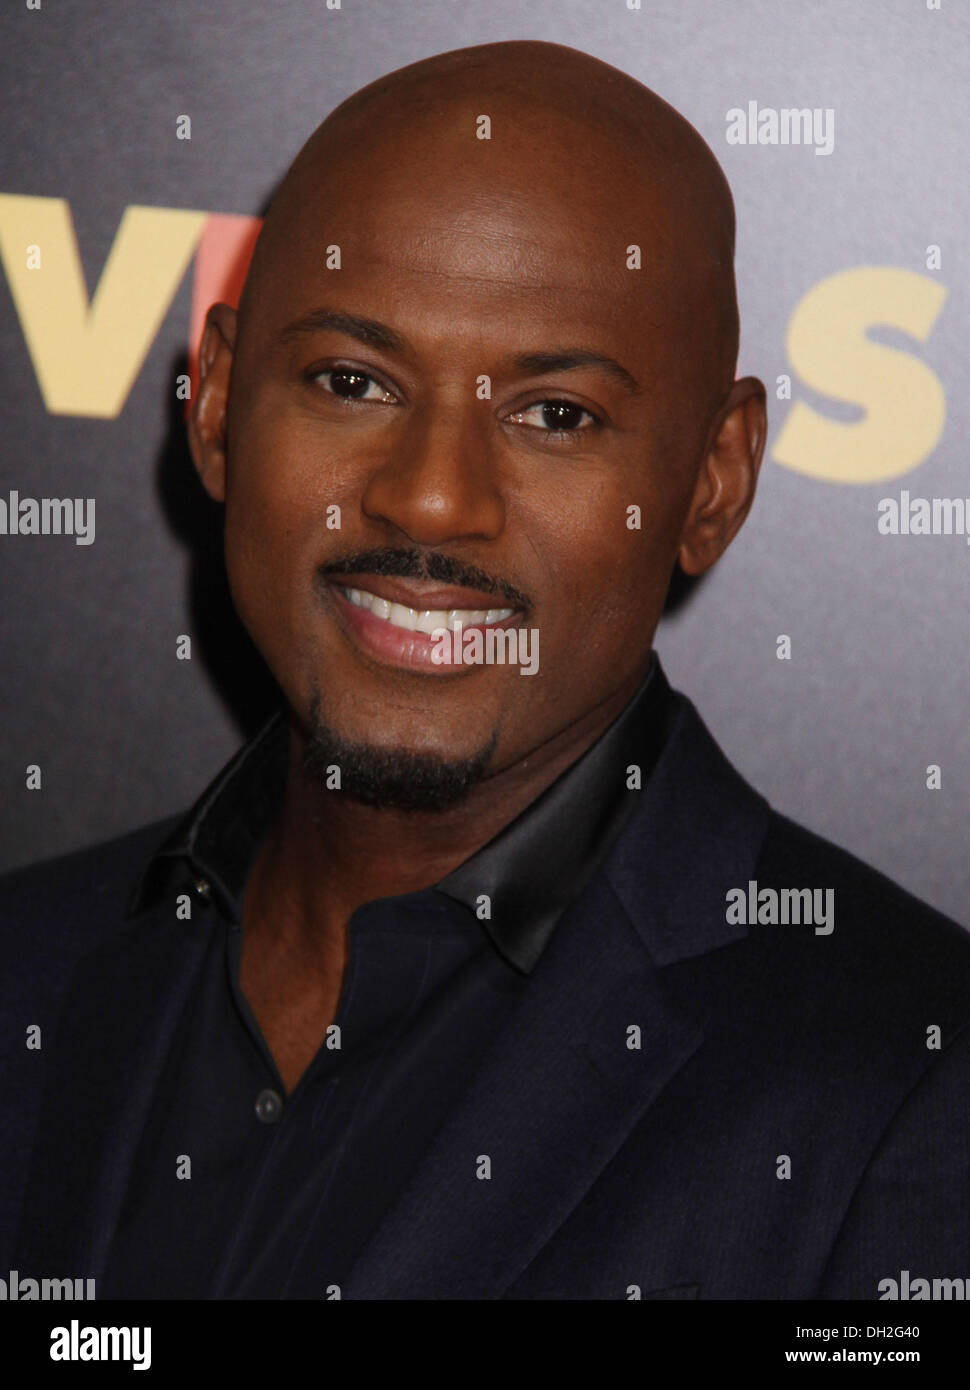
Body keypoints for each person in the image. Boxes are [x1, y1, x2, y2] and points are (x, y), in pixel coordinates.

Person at [3, 39, 969, 1301]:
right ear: (220, 403)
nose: (431, 495)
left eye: (554, 413)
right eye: (353, 381)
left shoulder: (911, 1081)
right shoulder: (30, 959)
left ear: (713, 481)